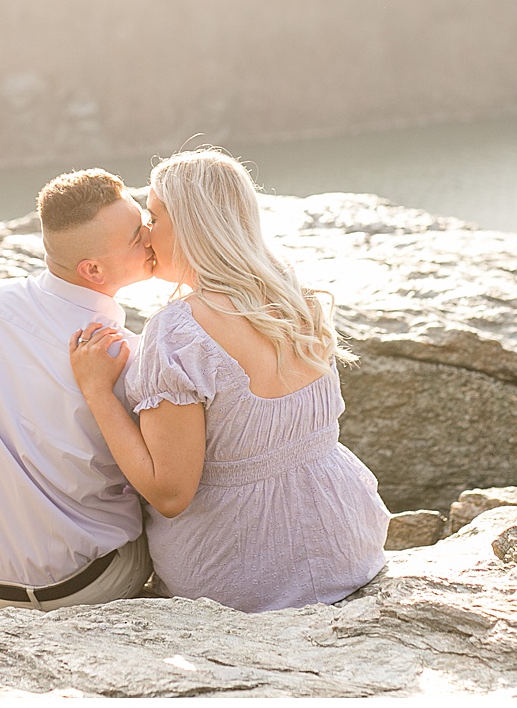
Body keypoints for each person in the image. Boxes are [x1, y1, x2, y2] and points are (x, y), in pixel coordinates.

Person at [69, 149, 389, 613]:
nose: (144, 233)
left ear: (193, 224)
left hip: (244, 571)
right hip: (347, 542)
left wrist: (97, 391)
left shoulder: (178, 332)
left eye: (154, 218)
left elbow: (170, 492)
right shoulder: (291, 296)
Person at [0, 168, 157, 611]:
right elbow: (155, 480)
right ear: (93, 269)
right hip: (87, 589)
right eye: (137, 236)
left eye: (145, 219)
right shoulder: (122, 353)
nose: (151, 235)